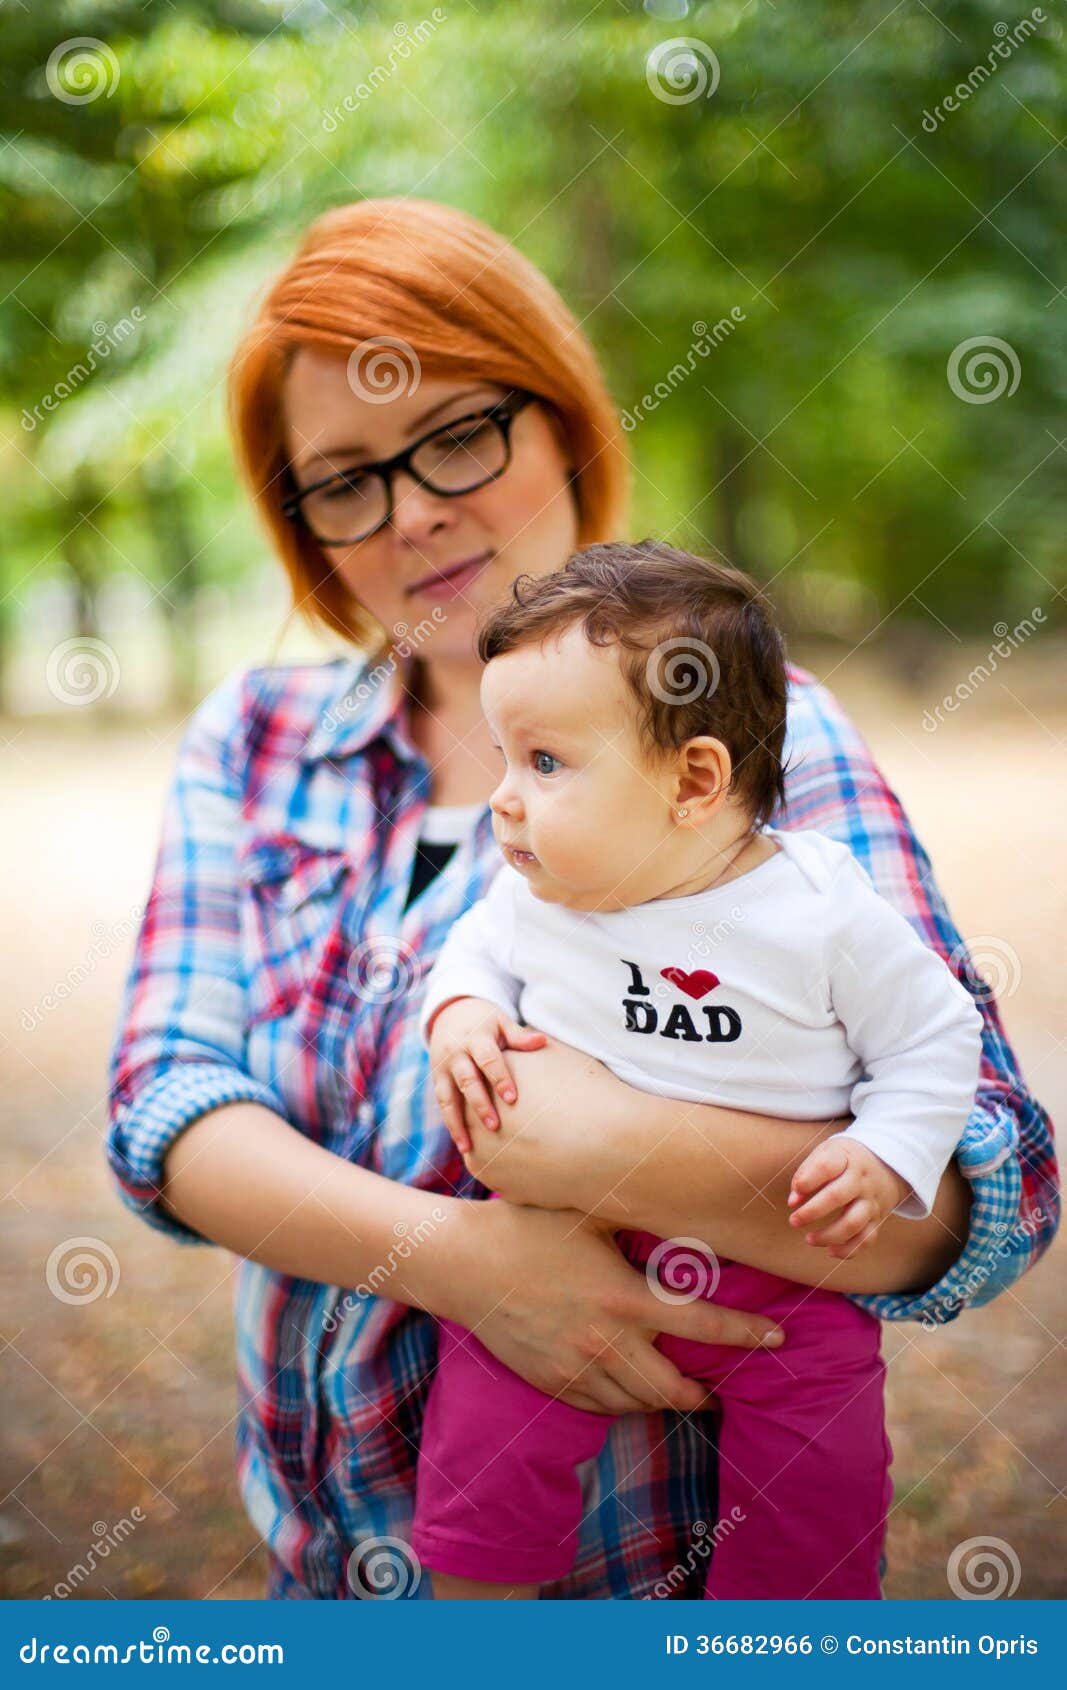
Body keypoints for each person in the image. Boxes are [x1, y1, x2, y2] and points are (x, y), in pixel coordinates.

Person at [105, 197, 1057, 1601]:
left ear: (557, 419)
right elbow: (166, 1105)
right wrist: (463, 1261)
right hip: (328, 1578)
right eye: (345, 478)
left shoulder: (737, 732)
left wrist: (605, 1145)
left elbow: (987, 1184)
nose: (412, 508)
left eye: (456, 434)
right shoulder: (254, 748)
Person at [411, 541, 984, 1600]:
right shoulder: (537, 894)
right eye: (501, 758)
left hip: (787, 1286)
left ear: (692, 779)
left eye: (541, 763)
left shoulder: (817, 910)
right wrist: (461, 1015)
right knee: (486, 1443)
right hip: (564, 1238)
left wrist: (882, 1152)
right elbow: (471, 956)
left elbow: (934, 1039)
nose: (501, 799)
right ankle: (470, 1622)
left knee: (815, 1500)